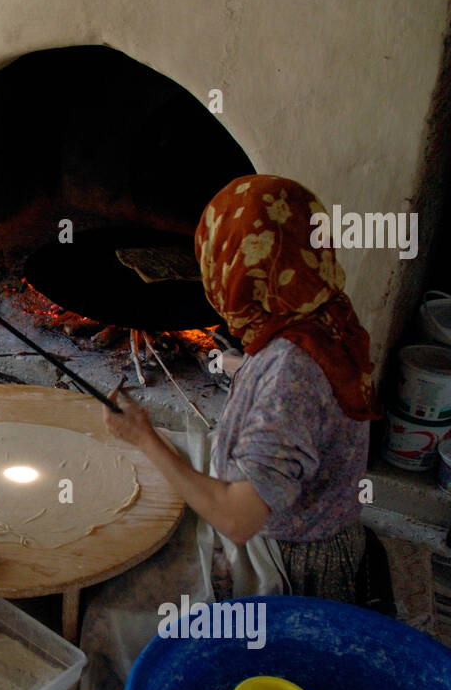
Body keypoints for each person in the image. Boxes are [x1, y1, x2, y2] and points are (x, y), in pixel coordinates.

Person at [104, 175, 380, 602]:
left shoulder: (291, 375)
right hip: (311, 520)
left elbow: (238, 520)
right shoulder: (317, 305)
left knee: (125, 602)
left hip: (287, 560)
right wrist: (241, 368)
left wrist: (144, 436)